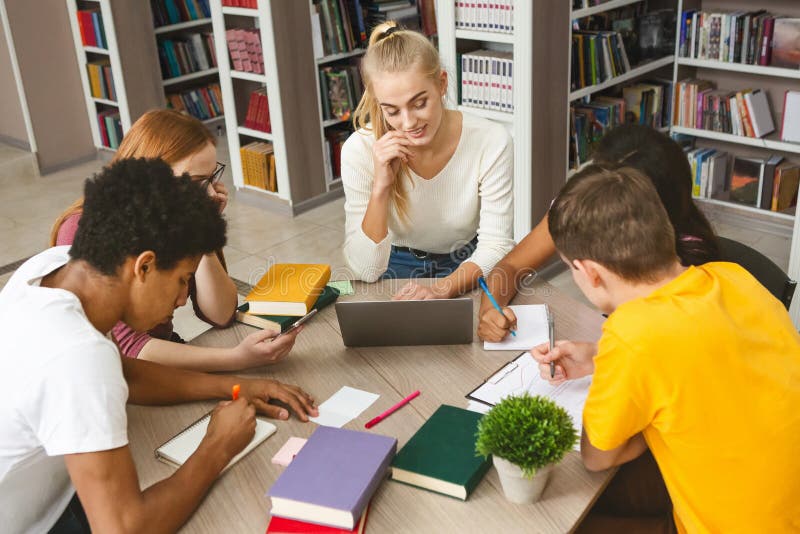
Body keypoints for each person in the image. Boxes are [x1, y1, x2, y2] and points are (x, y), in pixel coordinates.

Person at [0, 158, 318, 533]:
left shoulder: (56, 268)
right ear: (144, 266)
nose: (183, 299)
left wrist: (236, 384)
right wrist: (216, 447)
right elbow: (125, 529)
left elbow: (125, 373)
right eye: (183, 280)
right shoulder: (77, 357)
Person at [531, 164, 800, 533]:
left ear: (590, 272)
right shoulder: (734, 277)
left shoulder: (631, 334)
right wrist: (597, 357)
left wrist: (639, 401)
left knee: (560, 514)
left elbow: (597, 458)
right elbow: (701, 350)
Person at [50, 109, 295, 372]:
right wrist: (237, 358)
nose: (211, 192)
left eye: (213, 178)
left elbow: (221, 313)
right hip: (116, 373)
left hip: (162, 353)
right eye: (198, 182)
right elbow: (131, 350)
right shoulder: (82, 231)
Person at [477, 124, 719, 342]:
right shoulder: (584, 207)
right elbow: (512, 265)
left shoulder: (692, 272)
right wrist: (490, 311)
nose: (595, 191)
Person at [341, 21, 515, 299]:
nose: (409, 123)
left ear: (442, 83)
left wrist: (441, 289)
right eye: (392, 111)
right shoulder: (359, 151)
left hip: (469, 263)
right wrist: (381, 188)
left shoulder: (491, 140)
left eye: (419, 103)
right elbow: (367, 270)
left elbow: (496, 245)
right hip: (394, 262)